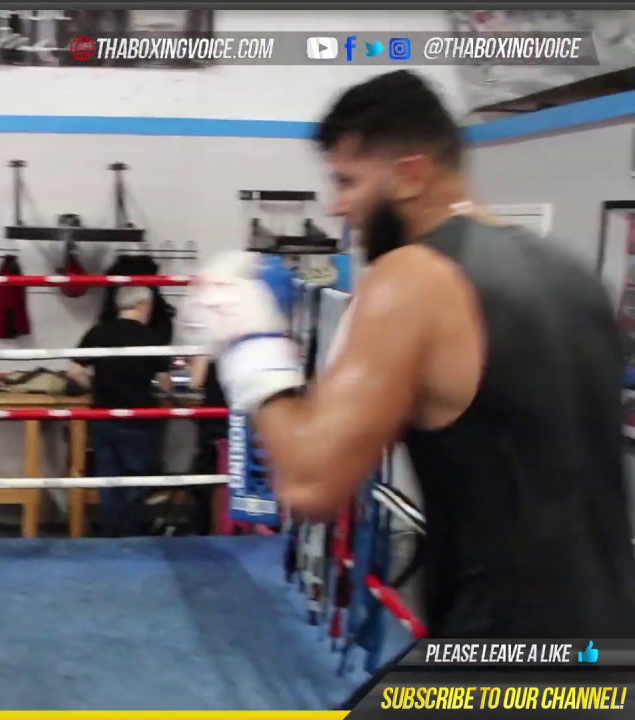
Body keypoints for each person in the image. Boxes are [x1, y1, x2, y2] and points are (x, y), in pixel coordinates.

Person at [178, 70, 635, 705]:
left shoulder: (413, 278)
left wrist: (251, 345)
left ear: (411, 173)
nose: (336, 206)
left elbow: (309, 484)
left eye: (347, 181)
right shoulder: (573, 274)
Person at [66, 286, 173, 536]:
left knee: (107, 476)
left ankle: (110, 532)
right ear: (144, 306)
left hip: (103, 413)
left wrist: (95, 385)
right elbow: (166, 383)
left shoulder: (98, 331)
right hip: (139, 417)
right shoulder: (151, 337)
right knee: (136, 477)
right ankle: (133, 532)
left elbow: (73, 370)